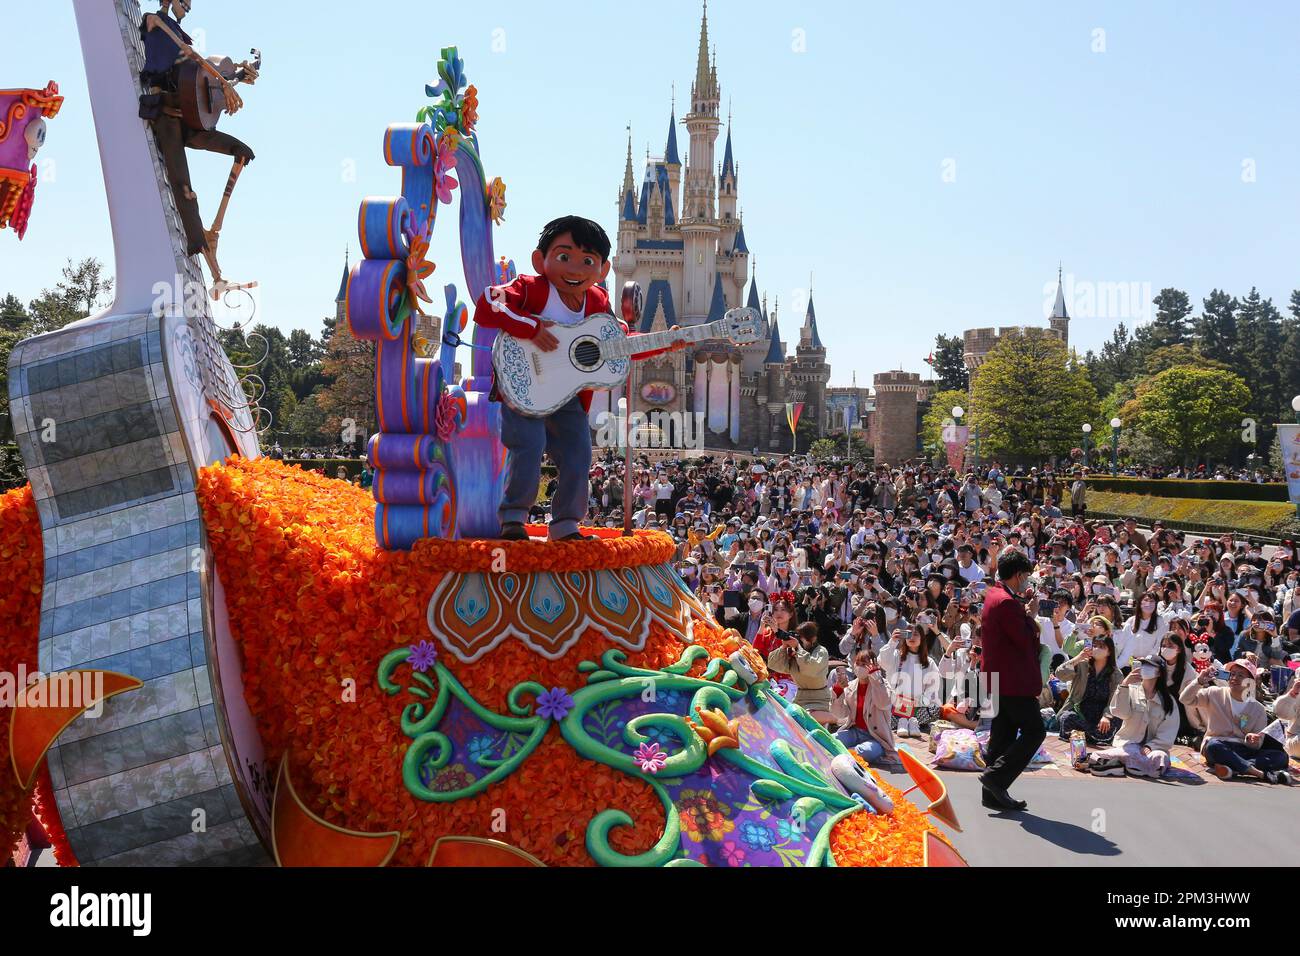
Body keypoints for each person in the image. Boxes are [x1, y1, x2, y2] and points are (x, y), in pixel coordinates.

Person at [472, 217, 684, 541]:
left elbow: (617, 345)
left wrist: (662, 343)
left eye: (588, 261)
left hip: (566, 394)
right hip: (524, 386)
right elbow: (488, 303)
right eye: (564, 256)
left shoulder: (597, 302)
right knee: (529, 445)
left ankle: (565, 524)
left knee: (579, 452)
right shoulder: (532, 288)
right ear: (540, 260)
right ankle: (513, 518)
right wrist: (531, 328)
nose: (575, 268)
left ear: (603, 270)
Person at [140, 0, 257, 295]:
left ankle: (214, 229)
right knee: (185, 191)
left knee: (242, 152)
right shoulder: (154, 20)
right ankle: (215, 271)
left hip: (192, 123)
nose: (188, 8)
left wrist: (240, 76)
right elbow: (191, 55)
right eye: (185, 2)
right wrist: (226, 82)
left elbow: (201, 84)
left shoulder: (180, 34)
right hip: (166, 119)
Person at [977, 549, 1045, 812]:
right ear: (1018, 576)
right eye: (1026, 575)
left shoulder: (996, 594)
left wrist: (1022, 609)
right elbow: (1026, 639)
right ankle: (996, 778)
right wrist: (1030, 615)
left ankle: (992, 794)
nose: (1027, 580)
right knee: (1035, 731)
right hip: (1012, 680)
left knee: (1002, 735)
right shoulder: (1006, 603)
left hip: (999, 678)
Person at [1180, 659, 1291, 784]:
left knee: (1281, 757)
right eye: (1232, 674)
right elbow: (1185, 699)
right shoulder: (1214, 693)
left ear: (1250, 681)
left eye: (1240, 675)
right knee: (1213, 746)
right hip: (1218, 744)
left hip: (1242, 749)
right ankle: (1258, 772)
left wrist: (1252, 739)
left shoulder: (1258, 709)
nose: (1234, 678)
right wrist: (1199, 681)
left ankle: (1232, 768)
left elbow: (1257, 744)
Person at [1087, 655, 1179, 778]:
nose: (1145, 668)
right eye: (1143, 665)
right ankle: (1132, 765)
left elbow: (1168, 732)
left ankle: (1120, 765)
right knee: (1131, 752)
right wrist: (1124, 685)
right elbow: (1119, 712)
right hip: (1130, 744)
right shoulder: (1130, 689)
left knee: (1160, 757)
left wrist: (1151, 746)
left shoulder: (1168, 701)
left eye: (1150, 666)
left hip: (1153, 749)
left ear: (1159, 672)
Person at [1054, 621, 1123, 744]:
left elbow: (1115, 700)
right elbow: (1060, 675)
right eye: (1095, 645)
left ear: (1109, 652)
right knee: (1067, 718)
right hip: (1081, 712)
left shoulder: (1116, 674)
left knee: (1116, 721)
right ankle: (1090, 736)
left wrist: (1106, 716)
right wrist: (1076, 659)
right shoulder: (1082, 664)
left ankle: (1085, 735)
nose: (1096, 649)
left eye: (1101, 647)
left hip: (1101, 715)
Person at [829, 648, 899, 767]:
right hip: (855, 731)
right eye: (858, 664)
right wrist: (838, 691)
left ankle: (842, 755)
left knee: (864, 751)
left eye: (864, 664)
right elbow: (839, 715)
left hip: (876, 738)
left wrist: (876, 679)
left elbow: (884, 703)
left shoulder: (882, 684)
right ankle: (845, 755)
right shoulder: (850, 686)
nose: (860, 667)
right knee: (832, 739)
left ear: (873, 666)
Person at [766, 622, 832, 715]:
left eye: (801, 639)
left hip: (819, 699)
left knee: (807, 717)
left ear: (813, 639)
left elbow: (811, 669)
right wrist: (784, 646)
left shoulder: (821, 651)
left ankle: (838, 720)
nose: (799, 642)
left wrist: (798, 648)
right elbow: (773, 664)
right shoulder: (795, 653)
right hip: (800, 698)